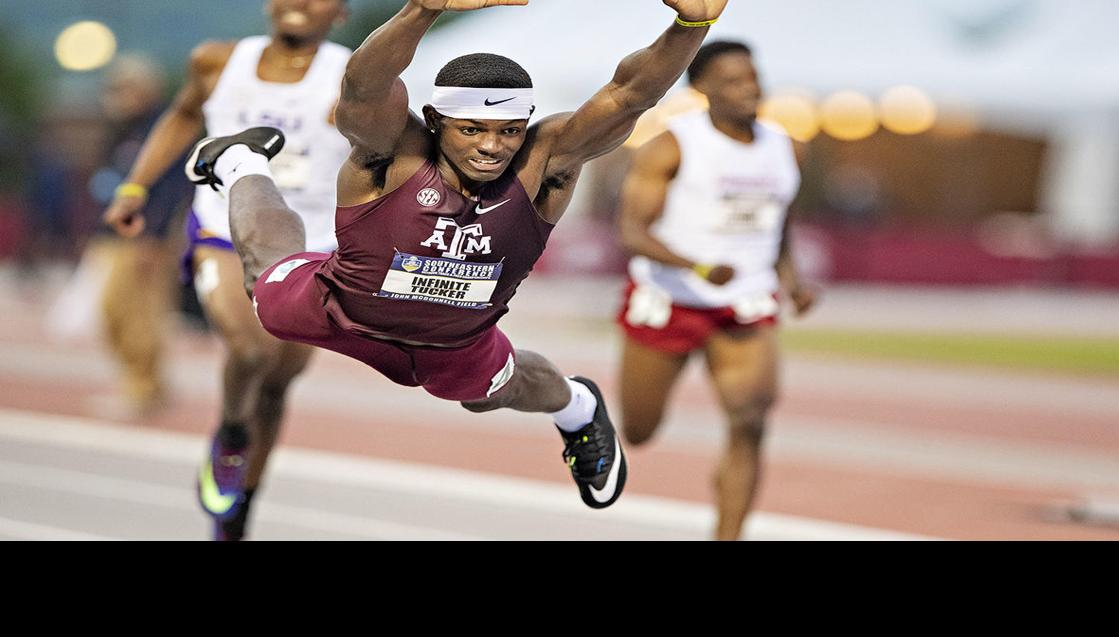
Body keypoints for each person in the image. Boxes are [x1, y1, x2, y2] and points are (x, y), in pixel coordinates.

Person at [182, 0, 730, 517]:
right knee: (265, 288)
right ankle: (241, 162)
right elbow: (362, 86)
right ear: (436, 122)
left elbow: (629, 94)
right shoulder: (392, 154)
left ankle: (578, 411)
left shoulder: (546, 163)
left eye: (508, 131)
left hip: (454, 342)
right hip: (338, 308)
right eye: (472, 129)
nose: (492, 147)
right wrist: (423, 8)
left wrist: (689, 29)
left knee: (492, 395)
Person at [103, 0, 353, 541]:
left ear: (341, 11)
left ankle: (237, 516)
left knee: (278, 385)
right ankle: (232, 431)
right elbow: (185, 115)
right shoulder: (217, 62)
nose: (300, 3)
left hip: (312, 244)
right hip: (224, 229)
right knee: (251, 348)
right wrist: (134, 186)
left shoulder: (353, 75)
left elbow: (385, 148)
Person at [615, 41, 818, 540]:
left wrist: (792, 280)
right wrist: (698, 267)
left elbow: (779, 224)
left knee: (750, 420)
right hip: (669, 300)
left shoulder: (786, 145)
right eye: (731, 80)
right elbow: (633, 232)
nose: (748, 88)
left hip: (745, 302)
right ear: (700, 88)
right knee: (639, 431)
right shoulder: (672, 144)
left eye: (752, 76)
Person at [93, 55, 193, 419]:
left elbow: (173, 188)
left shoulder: (163, 129)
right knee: (113, 310)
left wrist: (156, 235)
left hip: (147, 236)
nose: (117, 96)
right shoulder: (123, 128)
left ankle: (144, 387)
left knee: (140, 313)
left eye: (124, 88)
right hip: (114, 233)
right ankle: (144, 381)